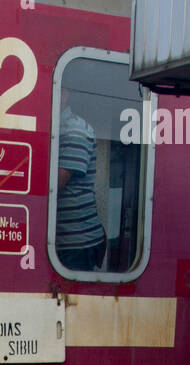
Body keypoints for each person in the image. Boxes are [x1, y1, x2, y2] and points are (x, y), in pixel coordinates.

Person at [55, 98, 107, 273]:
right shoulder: (57, 127)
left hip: (77, 239)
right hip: (66, 237)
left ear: (65, 93)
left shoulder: (75, 130)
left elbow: (58, 181)